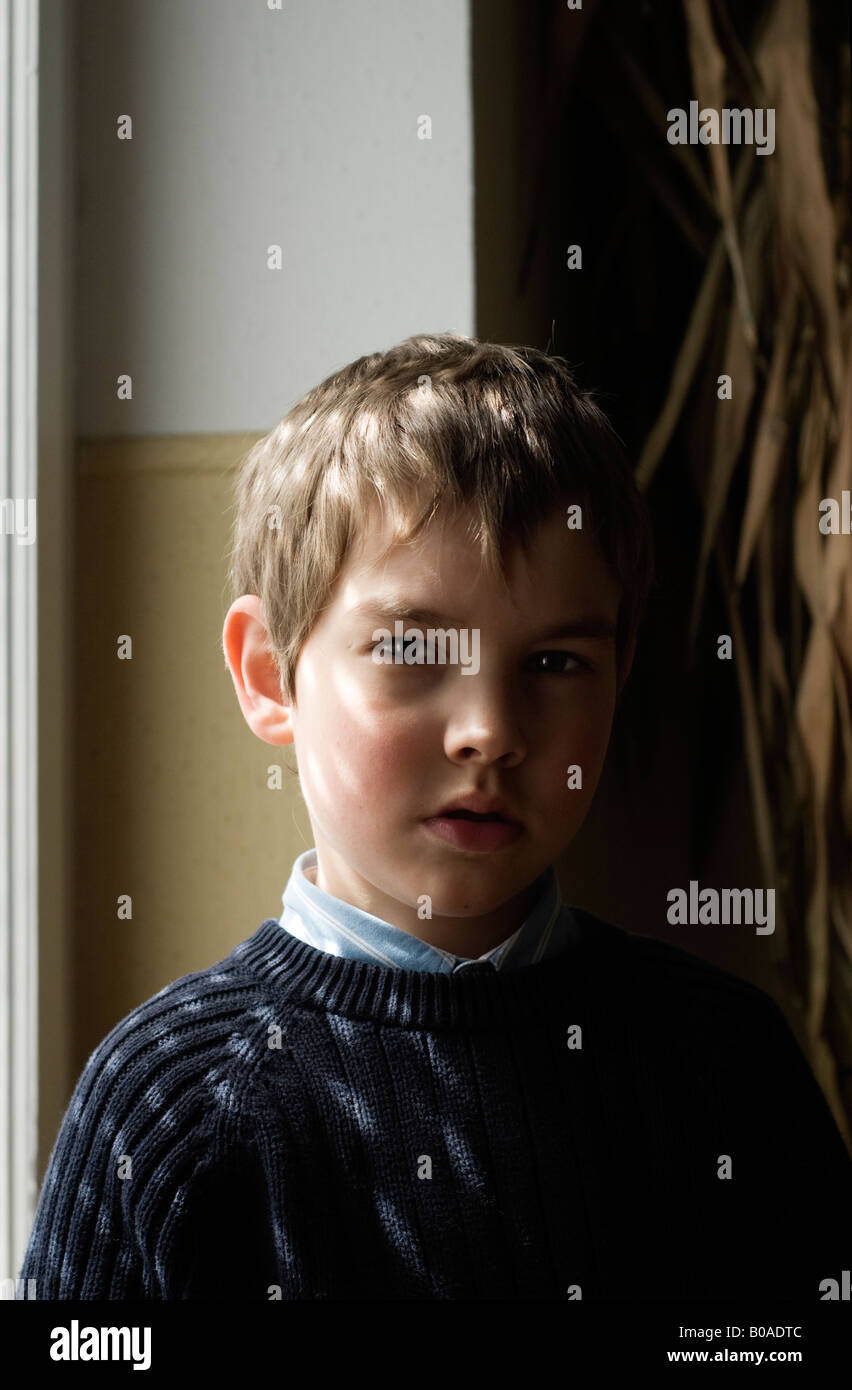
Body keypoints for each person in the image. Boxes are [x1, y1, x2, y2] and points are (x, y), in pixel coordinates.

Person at [18, 333, 852, 1299]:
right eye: (413, 651)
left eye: (554, 664)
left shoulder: (725, 1064)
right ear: (267, 676)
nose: (491, 731)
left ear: (620, 678)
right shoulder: (167, 1102)